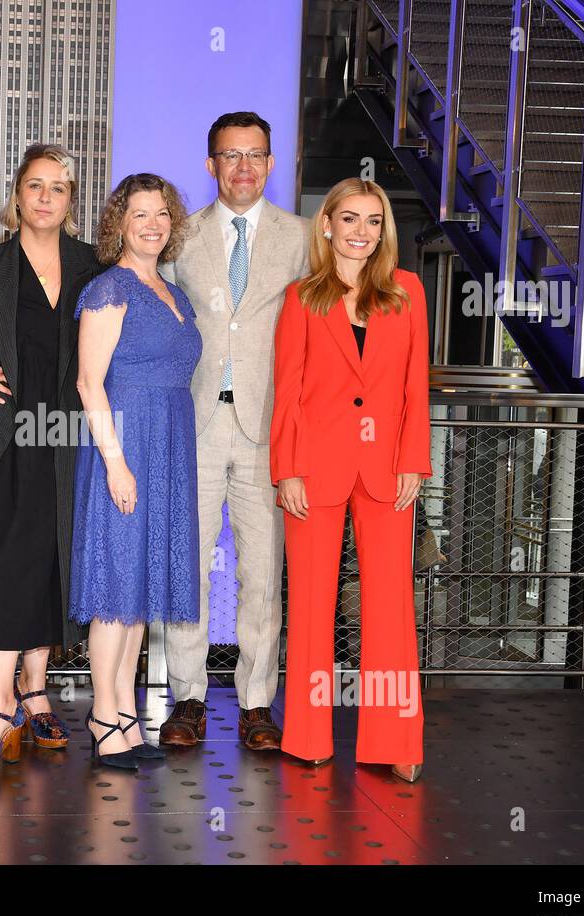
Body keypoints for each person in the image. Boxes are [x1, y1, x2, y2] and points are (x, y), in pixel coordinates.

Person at [269, 176, 432, 783]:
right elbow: (288, 394)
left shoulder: (408, 293)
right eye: (350, 219)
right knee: (311, 605)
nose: (362, 232)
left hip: (389, 469)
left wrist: (414, 459)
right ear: (328, 225)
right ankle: (308, 736)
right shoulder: (301, 298)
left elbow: (417, 385)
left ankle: (395, 739)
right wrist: (286, 469)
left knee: (390, 606)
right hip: (314, 469)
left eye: (373, 221)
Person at [158, 111, 311, 751]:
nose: (243, 167)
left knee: (262, 575)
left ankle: (255, 704)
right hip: (191, 425)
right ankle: (187, 698)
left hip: (268, 429)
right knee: (184, 570)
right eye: (230, 156)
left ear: (271, 164)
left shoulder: (306, 237)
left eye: (255, 156)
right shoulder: (178, 235)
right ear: (210, 164)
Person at [0, 145, 103, 774]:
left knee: (51, 558)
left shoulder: (94, 269)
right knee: (2, 555)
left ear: (72, 202)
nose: (46, 197)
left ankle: (36, 691)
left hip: (69, 435)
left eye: (59, 188)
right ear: (15, 196)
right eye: (35, 185)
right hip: (6, 432)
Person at [71, 173, 202, 770]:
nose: (152, 224)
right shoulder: (109, 289)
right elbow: (88, 383)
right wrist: (116, 462)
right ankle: (103, 715)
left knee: (140, 593)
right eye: (139, 214)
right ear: (118, 224)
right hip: (123, 449)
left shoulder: (176, 294)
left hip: (170, 445)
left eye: (161, 214)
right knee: (114, 591)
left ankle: (126, 714)